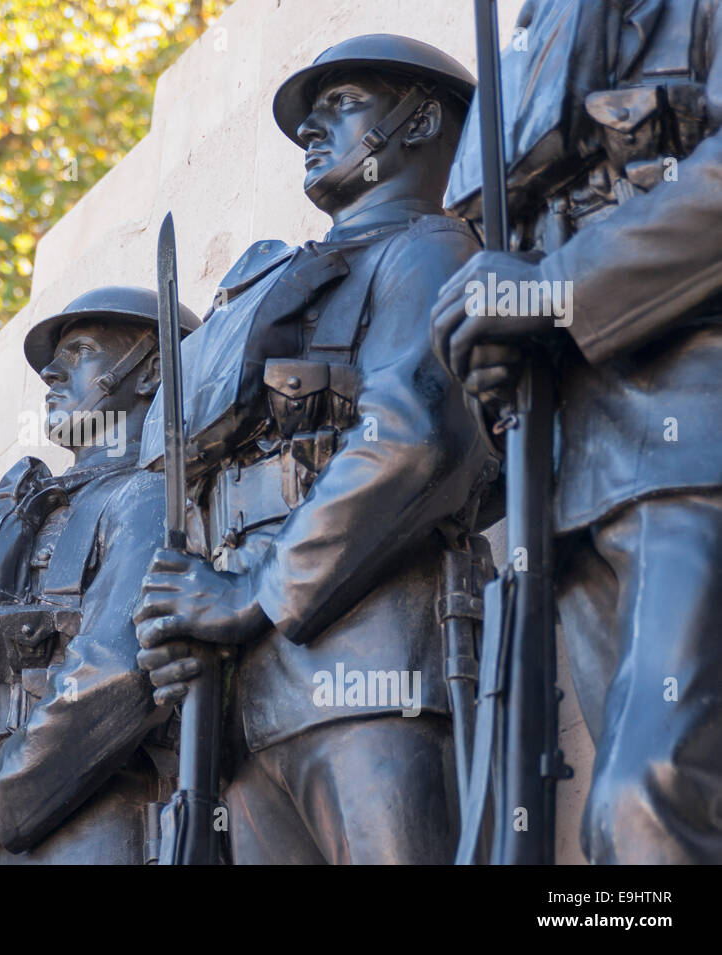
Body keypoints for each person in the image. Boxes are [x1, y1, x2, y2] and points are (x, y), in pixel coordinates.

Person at [132, 36, 497, 863]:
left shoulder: (428, 250)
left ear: (421, 120)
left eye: (341, 105)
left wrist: (255, 589)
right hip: (246, 692)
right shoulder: (292, 285)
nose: (310, 131)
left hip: (369, 662)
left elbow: (415, 439)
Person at [432, 0, 722, 863]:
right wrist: (487, 356)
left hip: (696, 427)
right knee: (615, 834)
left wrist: (550, 290)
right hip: (566, 469)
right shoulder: (533, 36)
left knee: (644, 808)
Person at [0, 287, 199, 864]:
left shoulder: (145, 495)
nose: (50, 372)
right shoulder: (13, 518)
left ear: (149, 373)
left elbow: (117, 665)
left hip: (90, 815)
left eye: (81, 351)